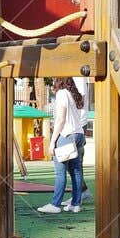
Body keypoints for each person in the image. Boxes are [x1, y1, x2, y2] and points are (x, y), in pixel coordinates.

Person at [39, 78, 87, 214]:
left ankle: (55, 204)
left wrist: (52, 141)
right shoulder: (71, 93)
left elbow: (61, 119)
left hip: (67, 135)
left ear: (58, 81)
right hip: (79, 134)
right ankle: (75, 204)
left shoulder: (61, 94)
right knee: (76, 170)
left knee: (60, 171)